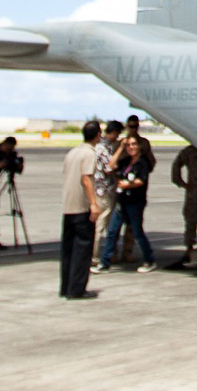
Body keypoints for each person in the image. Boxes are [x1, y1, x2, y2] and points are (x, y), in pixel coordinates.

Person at [101, 116, 158, 272]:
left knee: (134, 229)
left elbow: (151, 163)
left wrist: (138, 171)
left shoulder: (144, 144)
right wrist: (122, 148)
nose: (133, 129)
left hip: (136, 192)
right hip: (120, 189)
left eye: (135, 126)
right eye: (130, 126)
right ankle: (108, 257)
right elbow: (111, 164)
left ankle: (128, 252)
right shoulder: (122, 144)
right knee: (113, 229)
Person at [59, 119, 102, 299]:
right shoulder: (89, 154)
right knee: (82, 250)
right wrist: (93, 203)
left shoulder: (72, 152)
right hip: (81, 208)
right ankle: (77, 289)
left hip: (68, 207)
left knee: (68, 250)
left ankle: (66, 287)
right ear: (98, 135)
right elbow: (86, 178)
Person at [89, 119, 123, 268]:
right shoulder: (103, 147)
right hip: (104, 191)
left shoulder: (98, 146)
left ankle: (103, 253)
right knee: (100, 225)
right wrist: (121, 149)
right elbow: (110, 167)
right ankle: (94, 257)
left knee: (103, 225)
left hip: (99, 188)